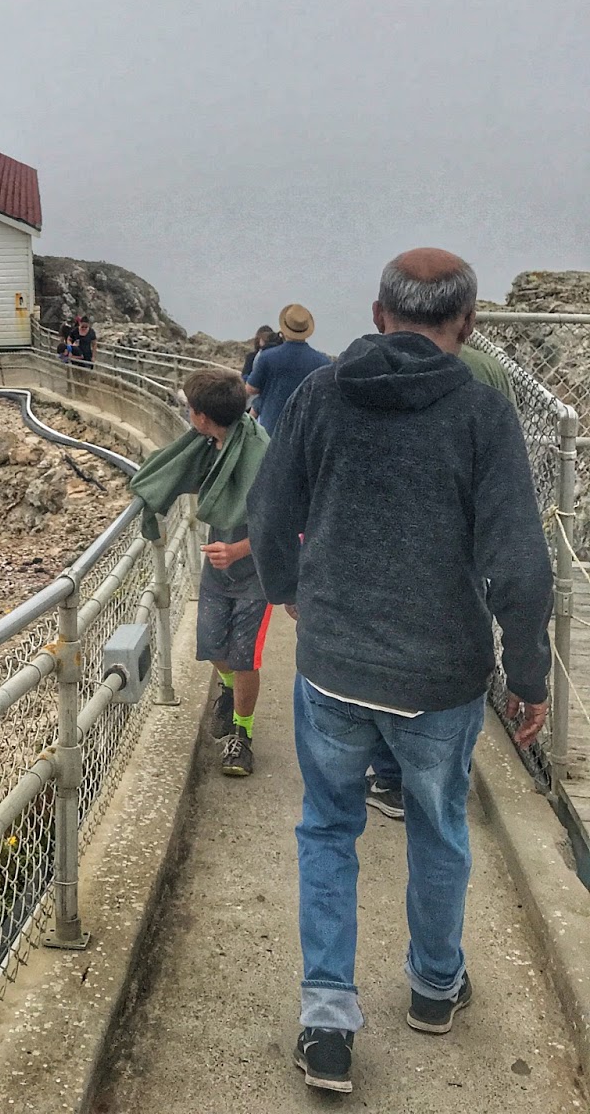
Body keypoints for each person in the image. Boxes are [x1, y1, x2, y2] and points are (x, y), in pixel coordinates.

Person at [247, 249, 552, 1096]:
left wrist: (290, 596)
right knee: (437, 828)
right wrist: (528, 675)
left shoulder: (319, 395)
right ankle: (433, 985)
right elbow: (521, 567)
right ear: (467, 325)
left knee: (327, 830)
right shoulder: (483, 414)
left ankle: (328, 1026)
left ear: (379, 314)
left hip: (336, 667)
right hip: (439, 678)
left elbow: (270, 511)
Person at [366, 329, 519, 820]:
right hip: (465, 532)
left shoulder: (383, 367)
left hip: (396, 534)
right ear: (466, 320)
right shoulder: (490, 372)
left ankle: (392, 778)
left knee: (389, 656)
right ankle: (442, 772)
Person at [130, 368, 271, 778]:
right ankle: (226, 690)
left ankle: (241, 736)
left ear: (202, 417)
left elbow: (286, 522)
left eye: (191, 409)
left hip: (255, 574)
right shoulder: (214, 441)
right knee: (212, 646)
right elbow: (175, 465)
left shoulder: (262, 454)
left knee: (246, 659)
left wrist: (239, 549)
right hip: (218, 569)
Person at [244, 304, 330, 433]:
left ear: (284, 328)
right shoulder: (323, 362)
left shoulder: (267, 357)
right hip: (304, 429)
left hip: (271, 426)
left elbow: (251, 389)